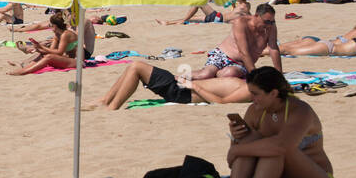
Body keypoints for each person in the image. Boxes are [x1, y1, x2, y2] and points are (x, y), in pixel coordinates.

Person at [223, 67, 333, 178]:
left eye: (255, 94)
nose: (251, 98)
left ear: (274, 93)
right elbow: (234, 162)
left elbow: (281, 146)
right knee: (252, 144)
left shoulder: (300, 110)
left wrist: (236, 149)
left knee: (275, 150)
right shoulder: (255, 111)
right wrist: (237, 139)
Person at [97, 60, 253, 110]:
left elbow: (221, 102)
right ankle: (106, 100)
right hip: (183, 87)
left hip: (182, 93)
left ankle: (112, 108)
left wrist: (194, 86)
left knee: (137, 67)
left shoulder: (247, 91)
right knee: (134, 66)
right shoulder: (245, 85)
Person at [191, 4, 281, 80]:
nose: (269, 24)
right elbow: (243, 52)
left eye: (272, 22)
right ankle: (179, 78)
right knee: (205, 75)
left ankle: (216, 76)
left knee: (229, 73)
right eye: (266, 21)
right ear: (256, 16)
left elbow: (273, 49)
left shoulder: (271, 27)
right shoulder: (241, 22)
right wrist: (255, 76)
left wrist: (279, 75)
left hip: (241, 63)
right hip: (221, 55)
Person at [279, 17, 356, 56]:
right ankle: (264, 51)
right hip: (328, 49)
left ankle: (265, 51)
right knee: (289, 51)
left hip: (327, 46)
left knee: (289, 49)